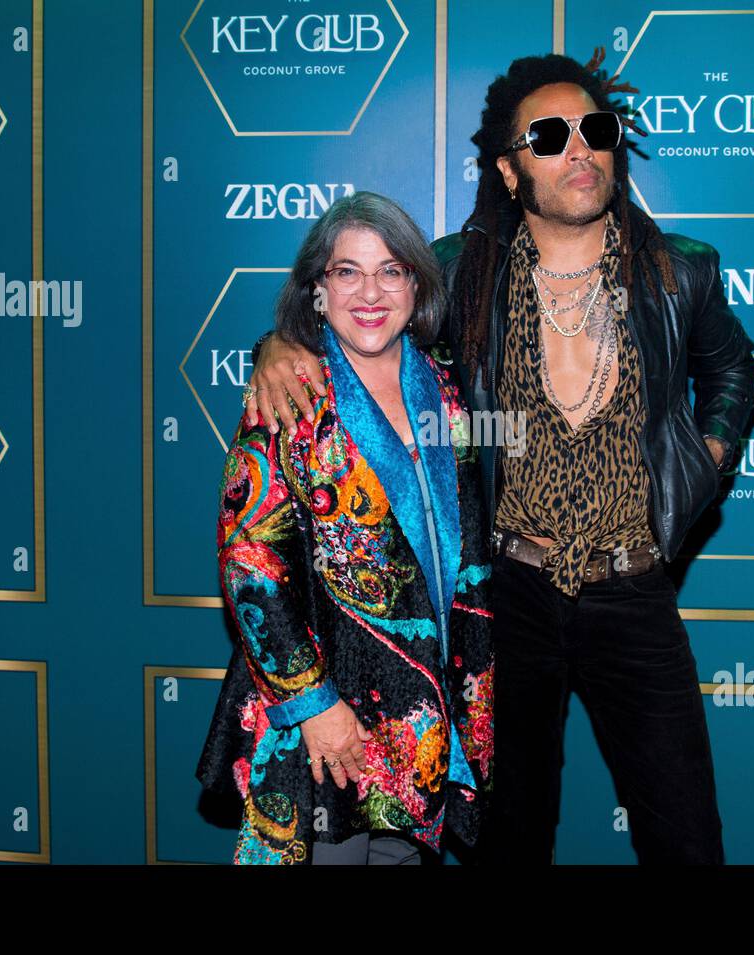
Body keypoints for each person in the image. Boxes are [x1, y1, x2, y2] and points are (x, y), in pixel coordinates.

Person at [242, 51, 754, 865]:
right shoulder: (461, 273)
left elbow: (733, 368)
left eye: (597, 129)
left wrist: (706, 461)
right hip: (508, 598)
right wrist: (277, 344)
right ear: (511, 172)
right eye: (550, 135)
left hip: (634, 592)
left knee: (687, 841)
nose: (581, 148)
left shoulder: (677, 272)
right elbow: (360, 322)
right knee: (509, 842)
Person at [195, 191, 494, 865]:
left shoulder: (448, 391)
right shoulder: (290, 393)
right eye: (347, 271)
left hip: (425, 720)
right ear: (318, 289)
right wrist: (315, 704)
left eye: (391, 270)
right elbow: (250, 563)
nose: (370, 291)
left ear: (416, 285)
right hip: (331, 725)